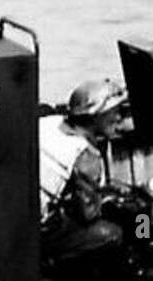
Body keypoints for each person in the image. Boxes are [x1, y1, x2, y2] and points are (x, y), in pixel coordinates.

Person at [38, 79, 128, 263]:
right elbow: (88, 214)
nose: (119, 118)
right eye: (115, 112)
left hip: (18, 212)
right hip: (38, 231)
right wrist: (107, 199)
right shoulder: (85, 155)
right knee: (111, 234)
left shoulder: (49, 122)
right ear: (96, 116)